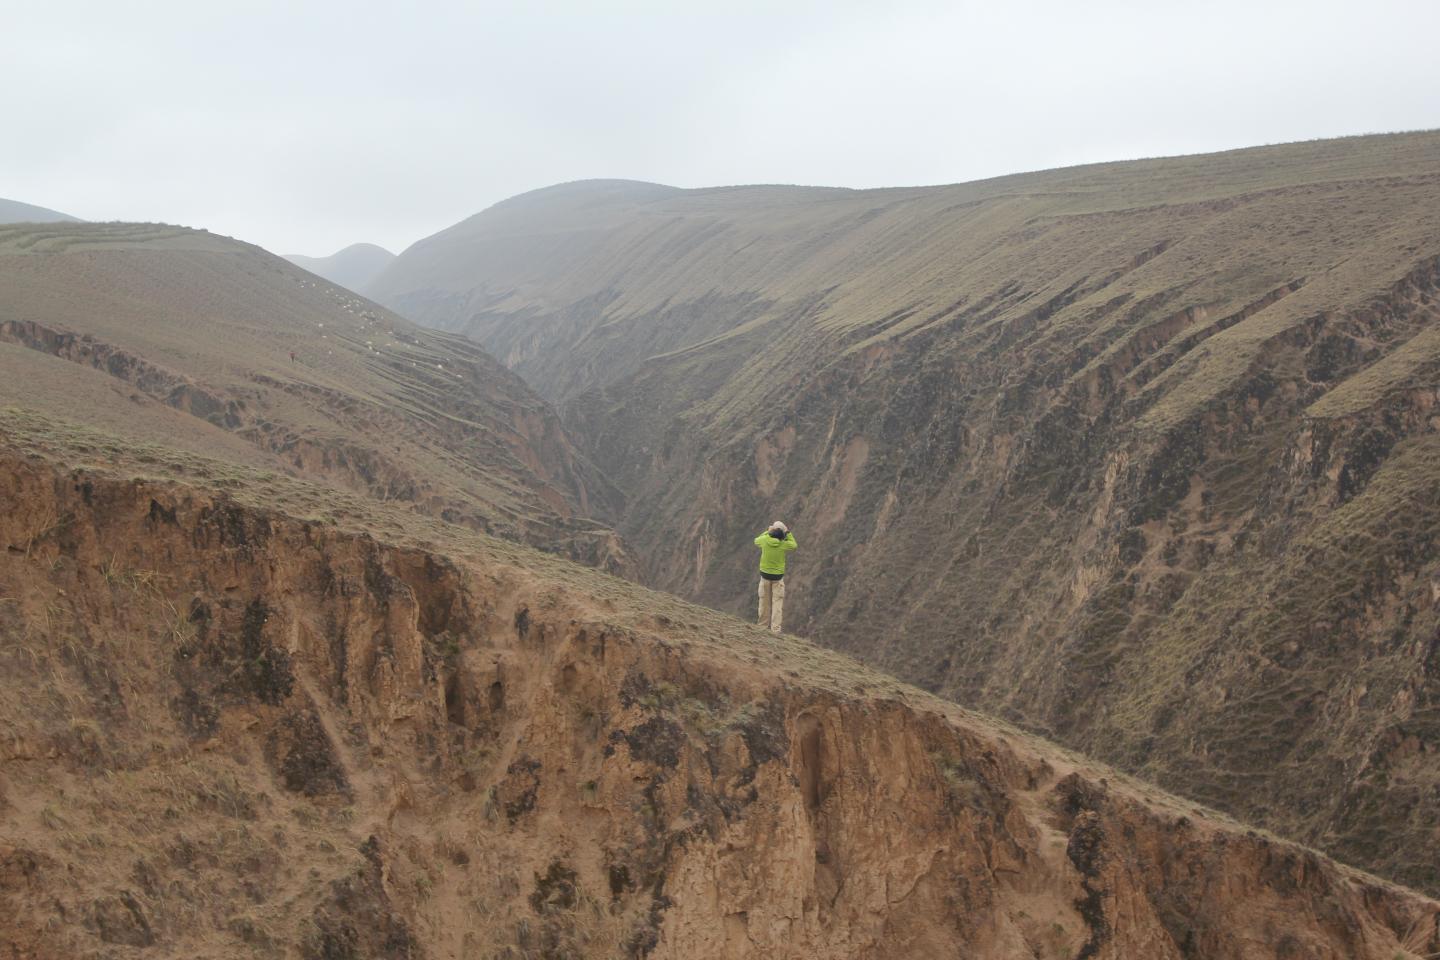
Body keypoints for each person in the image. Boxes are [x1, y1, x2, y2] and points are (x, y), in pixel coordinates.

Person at [754, 521, 797, 633]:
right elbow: (794, 545)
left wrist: (767, 532)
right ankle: (775, 629)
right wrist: (788, 532)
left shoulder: (764, 540)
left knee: (764, 602)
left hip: (765, 576)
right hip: (777, 578)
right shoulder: (783, 544)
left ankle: (762, 626)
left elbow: (756, 540)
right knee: (777, 603)